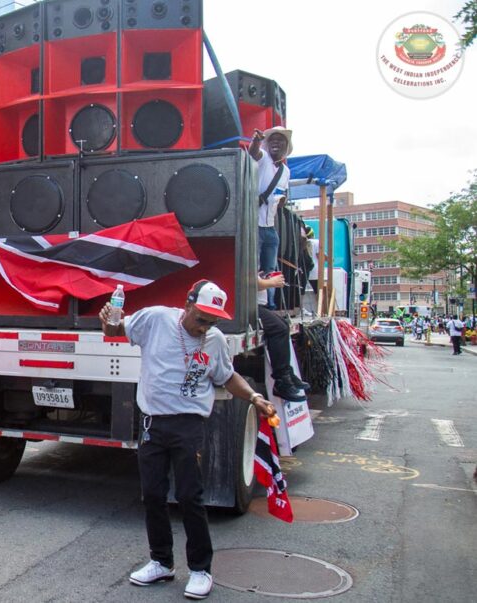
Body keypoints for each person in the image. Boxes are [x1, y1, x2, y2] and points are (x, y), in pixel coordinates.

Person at [100, 280, 276, 600]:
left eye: (212, 321)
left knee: (189, 497)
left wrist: (253, 397)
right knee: (152, 494)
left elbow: (226, 376)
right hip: (153, 422)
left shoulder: (215, 341)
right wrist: (108, 320)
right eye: (201, 318)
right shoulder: (154, 319)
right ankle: (161, 562)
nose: (205, 327)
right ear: (188, 304)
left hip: (190, 425)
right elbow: (114, 330)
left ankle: (200, 569)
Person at [249, 126, 293, 309]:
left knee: (271, 270)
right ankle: (257, 306)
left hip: (270, 226)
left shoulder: (285, 171)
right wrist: (256, 140)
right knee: (255, 267)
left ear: (286, 146)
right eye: (272, 140)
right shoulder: (264, 159)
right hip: (256, 224)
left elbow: (281, 193)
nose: (276, 143)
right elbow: (254, 152)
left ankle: (270, 306)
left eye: (280, 140)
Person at [258, 274, 308, 401]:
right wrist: (271, 282)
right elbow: (249, 282)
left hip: (254, 304)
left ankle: (286, 373)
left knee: (284, 325)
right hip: (246, 306)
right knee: (279, 328)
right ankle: (282, 380)